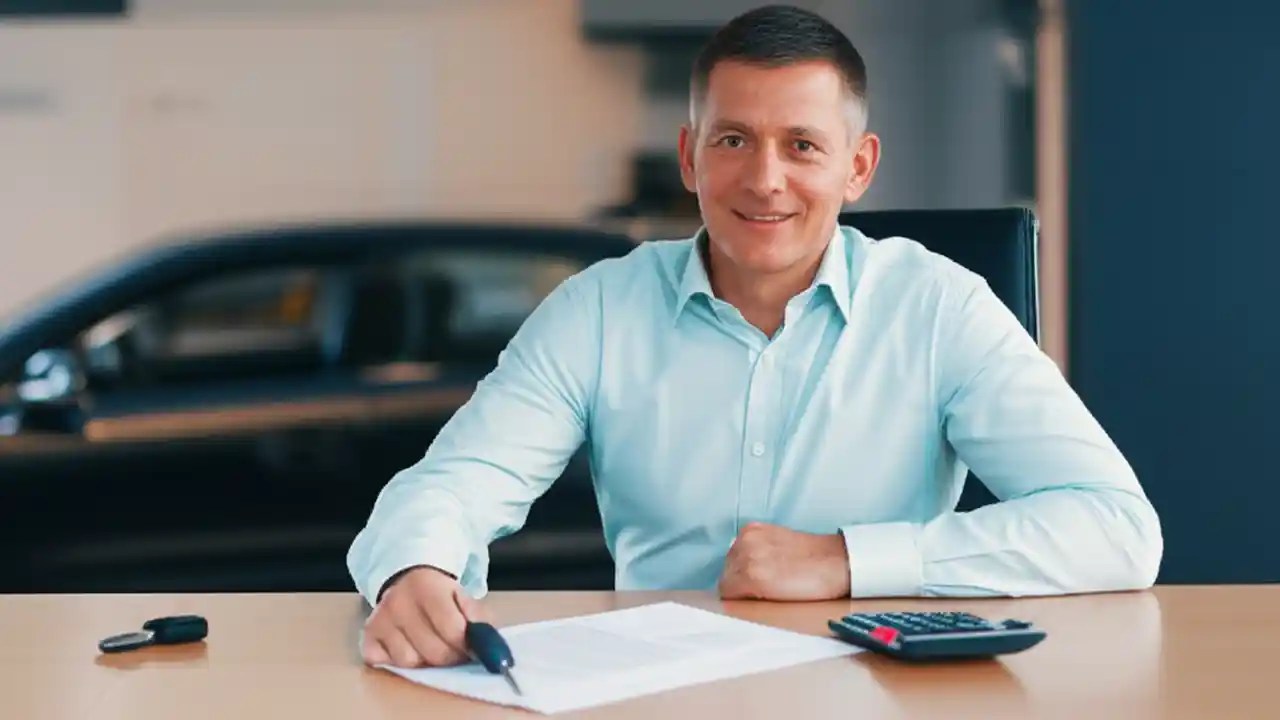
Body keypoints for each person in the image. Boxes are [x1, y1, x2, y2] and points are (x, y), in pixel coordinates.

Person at [348, 4, 1162, 669]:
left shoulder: (940, 307)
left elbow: (1116, 529)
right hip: (651, 693)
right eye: (732, 139)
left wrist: (846, 559)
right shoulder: (597, 309)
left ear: (858, 167)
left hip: (876, 693)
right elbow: (451, 485)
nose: (764, 179)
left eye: (802, 146)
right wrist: (418, 567)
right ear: (690, 159)